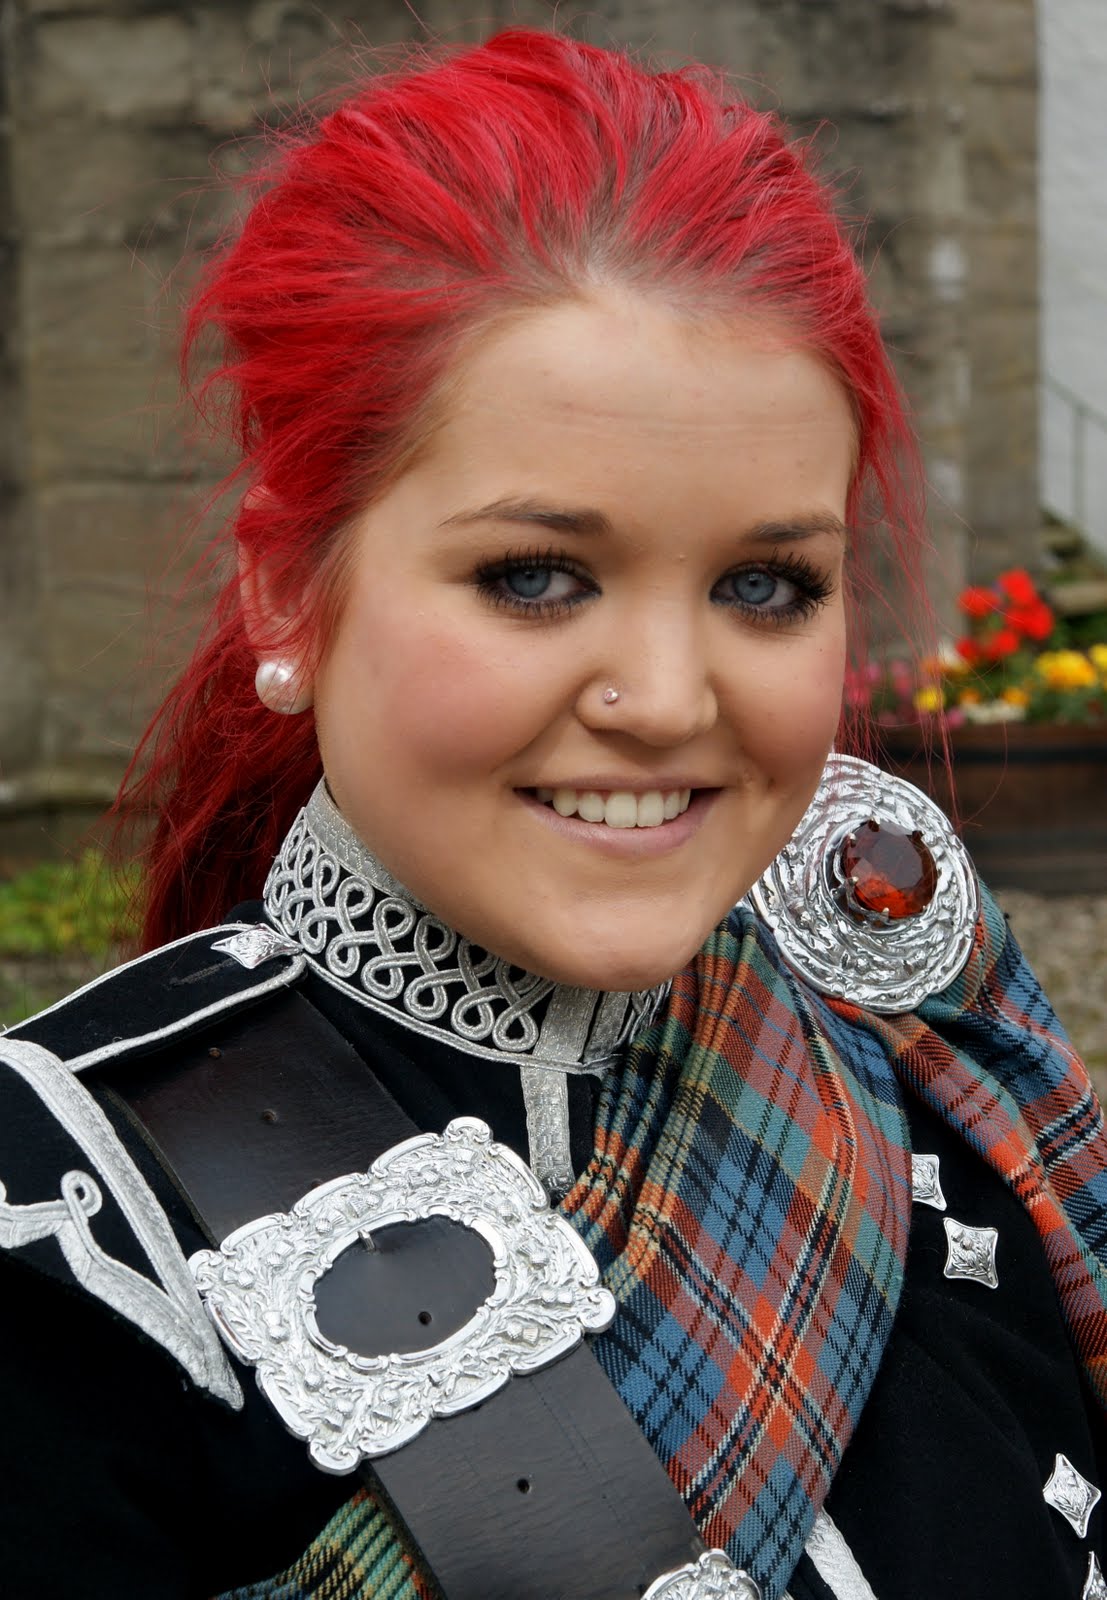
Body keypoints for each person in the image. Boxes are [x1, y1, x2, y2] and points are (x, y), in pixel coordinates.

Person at [2, 26, 1105, 1600]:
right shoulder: (73, 1229)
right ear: (288, 590)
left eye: (765, 586)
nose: (665, 697)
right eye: (535, 577)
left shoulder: (925, 1036)